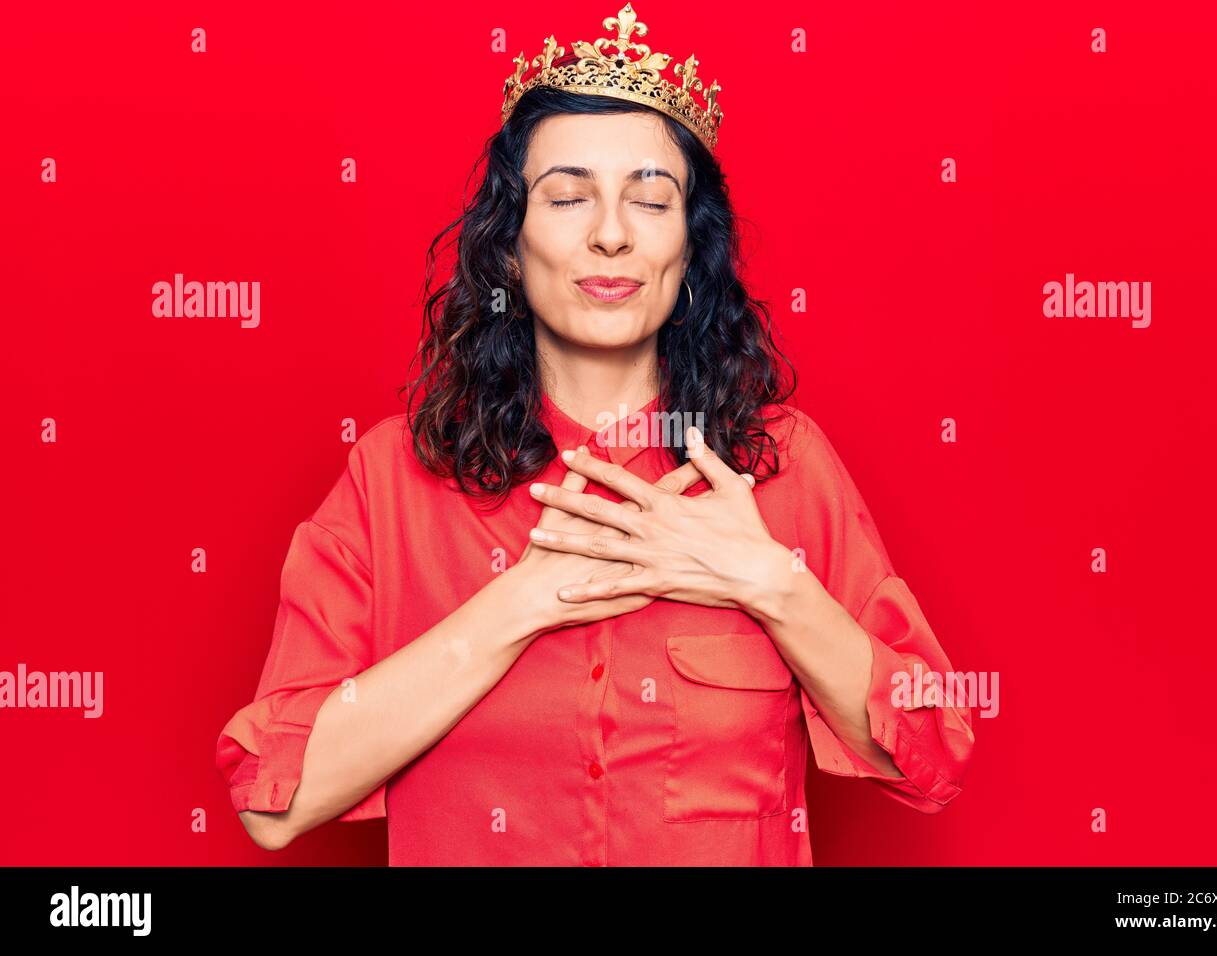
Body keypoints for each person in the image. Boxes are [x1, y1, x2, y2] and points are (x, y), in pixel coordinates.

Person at [215, 2, 974, 866]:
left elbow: (936, 755)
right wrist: (519, 603)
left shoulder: (784, 468)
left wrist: (772, 584)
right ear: (508, 245)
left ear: (691, 249)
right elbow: (274, 802)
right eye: (568, 197)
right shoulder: (393, 478)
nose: (610, 234)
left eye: (650, 201)